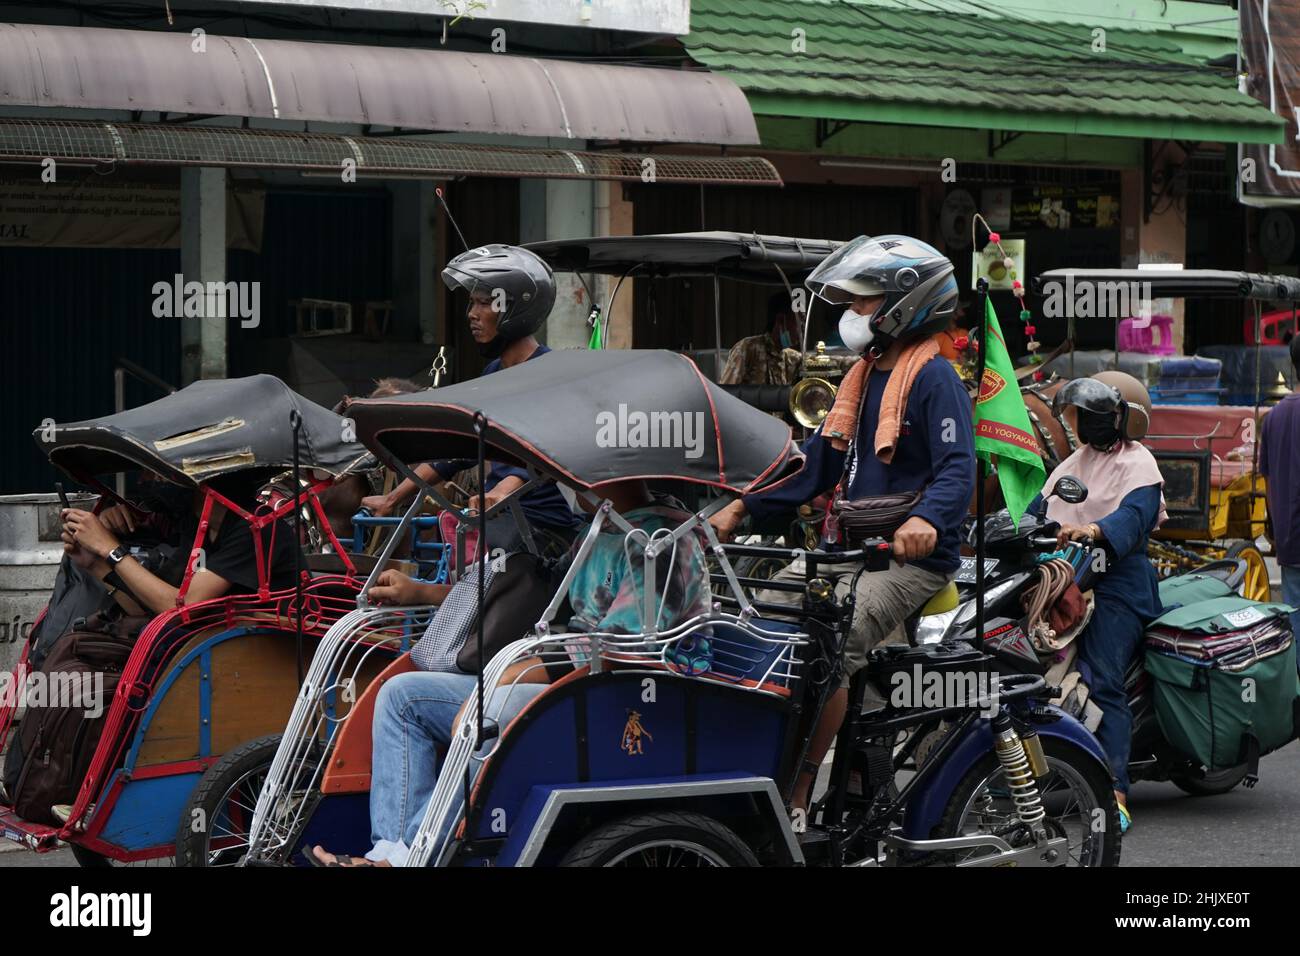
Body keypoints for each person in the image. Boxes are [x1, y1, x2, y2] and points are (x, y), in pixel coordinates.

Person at [306, 479, 712, 866]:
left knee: (491, 708)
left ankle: (409, 856)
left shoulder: (658, 542)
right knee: (402, 695)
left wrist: (501, 679)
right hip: (571, 678)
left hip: (622, 686)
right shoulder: (601, 527)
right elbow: (543, 599)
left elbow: (615, 645)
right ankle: (391, 851)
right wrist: (426, 594)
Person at [709, 234, 976, 812]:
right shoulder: (864, 375)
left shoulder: (935, 380)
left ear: (904, 305)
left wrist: (926, 520)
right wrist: (741, 507)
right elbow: (816, 467)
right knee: (756, 615)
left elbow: (958, 472)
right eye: (852, 302)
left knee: (824, 643)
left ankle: (796, 790)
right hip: (850, 552)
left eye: (863, 302)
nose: (852, 315)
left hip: (912, 562)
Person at [361, 244, 581, 552]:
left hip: (542, 530)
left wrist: (503, 490)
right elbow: (460, 449)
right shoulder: (493, 372)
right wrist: (392, 499)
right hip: (499, 522)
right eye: (471, 303)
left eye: (484, 304)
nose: (471, 315)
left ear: (516, 310)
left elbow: (544, 454)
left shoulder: (550, 375)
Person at [1041, 370, 1166, 833]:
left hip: (1120, 583)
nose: (1084, 424)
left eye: (1094, 414)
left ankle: (1114, 791)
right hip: (1066, 576)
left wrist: (1094, 530)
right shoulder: (1073, 462)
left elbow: (1134, 520)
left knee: (1102, 675)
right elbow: (1040, 508)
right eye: (1080, 414)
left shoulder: (1141, 466)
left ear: (1123, 418)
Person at [60, 473, 300, 615]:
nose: (146, 481)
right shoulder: (198, 527)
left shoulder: (256, 525)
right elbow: (151, 607)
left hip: (268, 651)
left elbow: (183, 607)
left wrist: (110, 548)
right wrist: (95, 565)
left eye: (158, 473)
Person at [1259, 336, 1300, 648]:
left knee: (1295, 622)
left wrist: (1276, 530)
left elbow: (1269, 482)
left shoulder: (1273, 418)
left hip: (1290, 540)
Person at [719, 292, 805, 386]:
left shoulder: (794, 359)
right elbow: (727, 391)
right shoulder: (748, 349)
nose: (801, 329)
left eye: (802, 323)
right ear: (781, 320)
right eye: (798, 322)